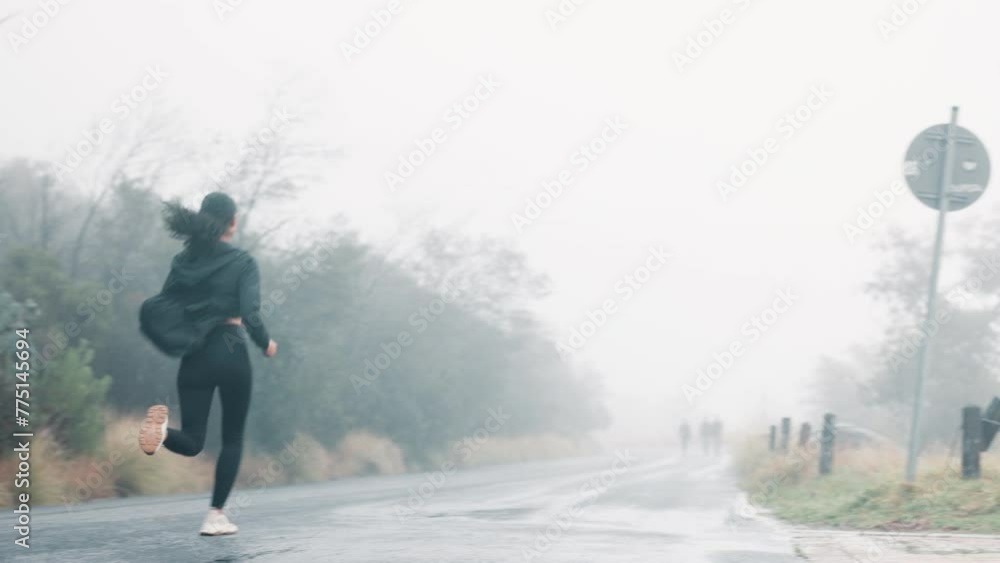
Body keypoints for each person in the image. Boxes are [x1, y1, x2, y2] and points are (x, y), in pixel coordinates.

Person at [138, 192, 277, 536]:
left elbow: (168, 305)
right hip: (231, 351)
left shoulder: (183, 261)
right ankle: (215, 516)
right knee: (232, 438)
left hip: (195, 355)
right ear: (232, 223)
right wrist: (266, 343)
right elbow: (251, 313)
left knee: (193, 439)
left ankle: (160, 433)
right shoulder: (243, 262)